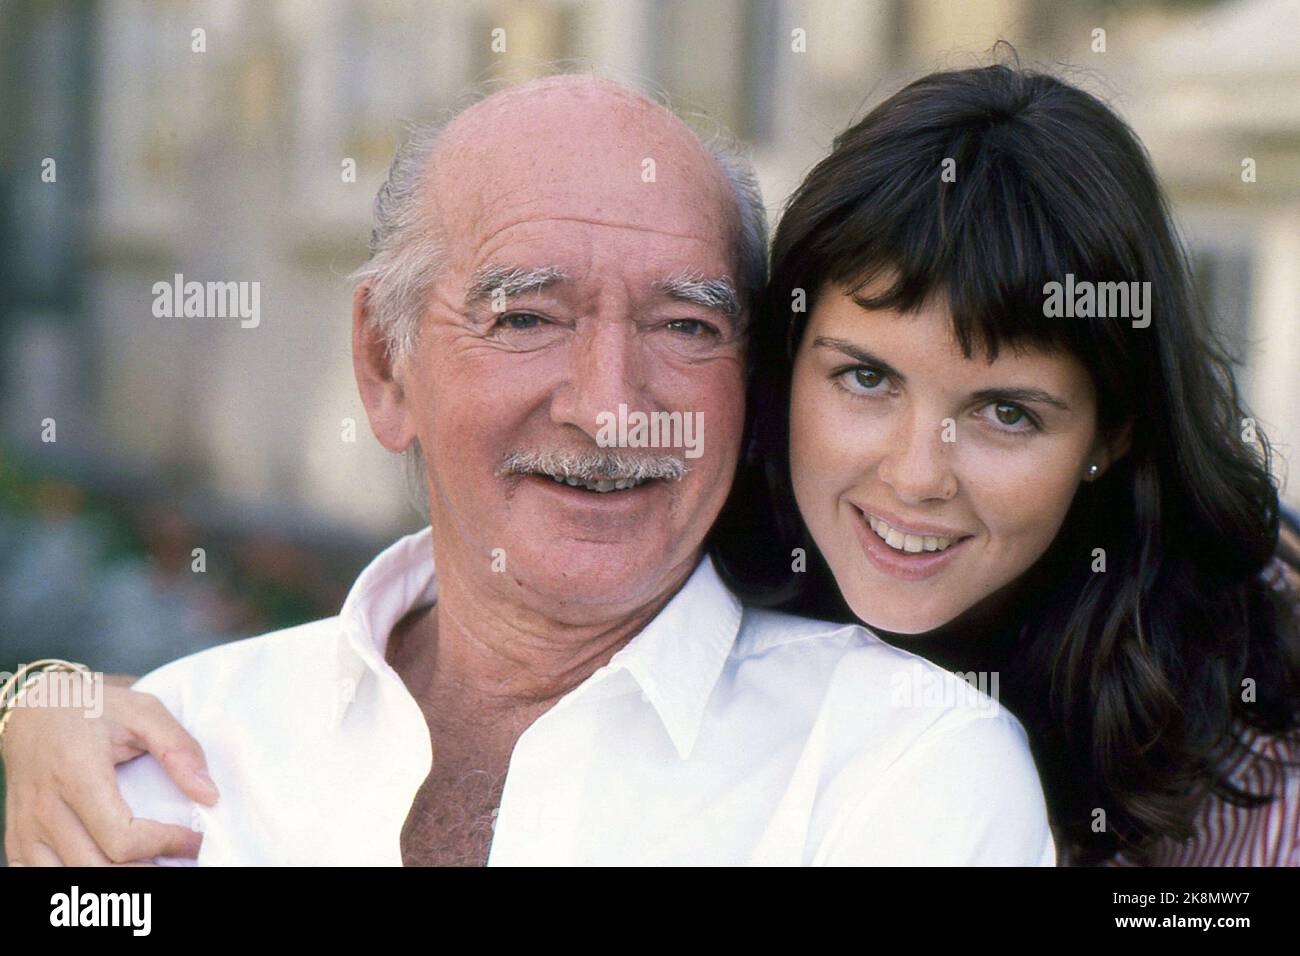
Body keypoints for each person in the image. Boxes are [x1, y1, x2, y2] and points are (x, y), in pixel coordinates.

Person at [0, 73, 1054, 867]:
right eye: (527, 315)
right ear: (384, 363)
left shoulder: (903, 766)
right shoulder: (169, 749)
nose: (608, 406)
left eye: (685, 323)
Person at [716, 63, 1300, 865]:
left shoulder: (1251, 711)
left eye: (1006, 413)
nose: (918, 475)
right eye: (867, 378)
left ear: (1113, 434)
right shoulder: (676, 582)